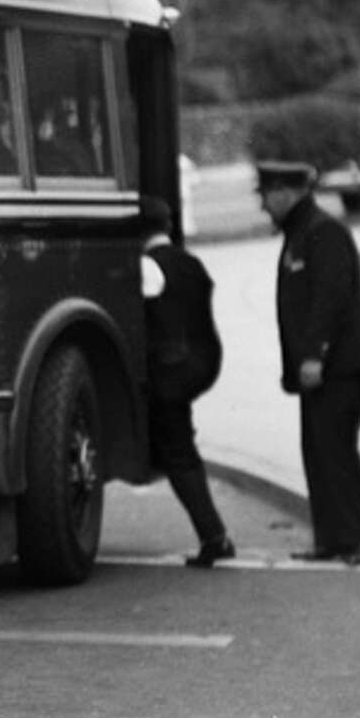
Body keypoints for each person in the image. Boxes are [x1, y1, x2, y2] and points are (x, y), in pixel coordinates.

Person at [257, 158, 360, 565]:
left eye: (267, 195)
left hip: (340, 365)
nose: (263, 205)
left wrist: (315, 354)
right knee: (318, 451)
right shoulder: (301, 233)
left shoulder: (323, 232)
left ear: (286, 193)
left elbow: (331, 298)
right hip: (321, 369)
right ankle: (332, 538)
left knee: (336, 450)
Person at [139, 196, 233, 567]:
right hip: (202, 364)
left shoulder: (147, 266)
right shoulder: (191, 262)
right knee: (181, 449)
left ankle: (214, 537)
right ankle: (214, 535)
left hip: (169, 372)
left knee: (178, 455)